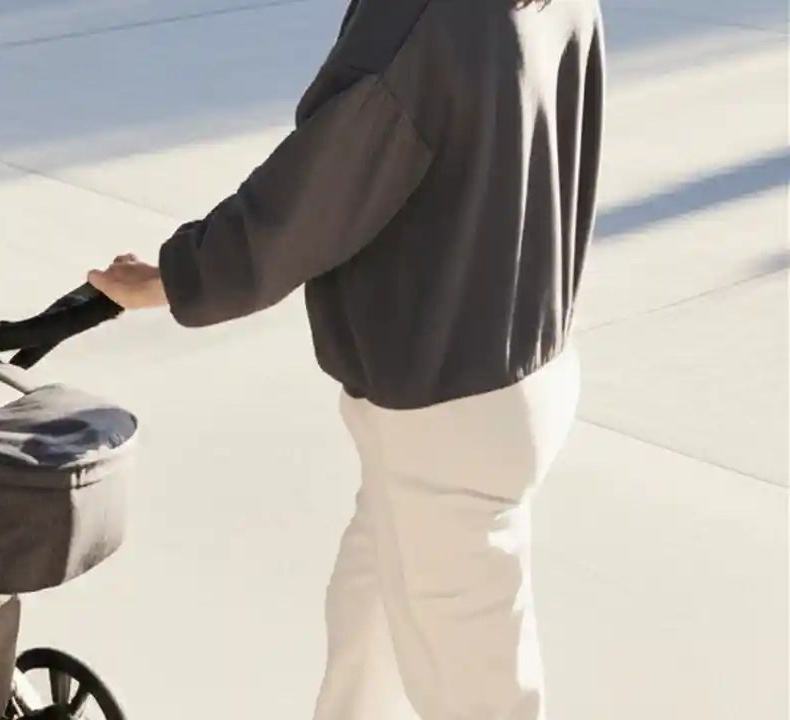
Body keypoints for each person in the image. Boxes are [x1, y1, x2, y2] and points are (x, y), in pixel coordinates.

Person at [87, 0, 605, 718]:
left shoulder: (424, 17)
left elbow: (321, 188)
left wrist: (176, 278)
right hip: (518, 367)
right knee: (368, 636)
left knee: (478, 696)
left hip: (443, 406)